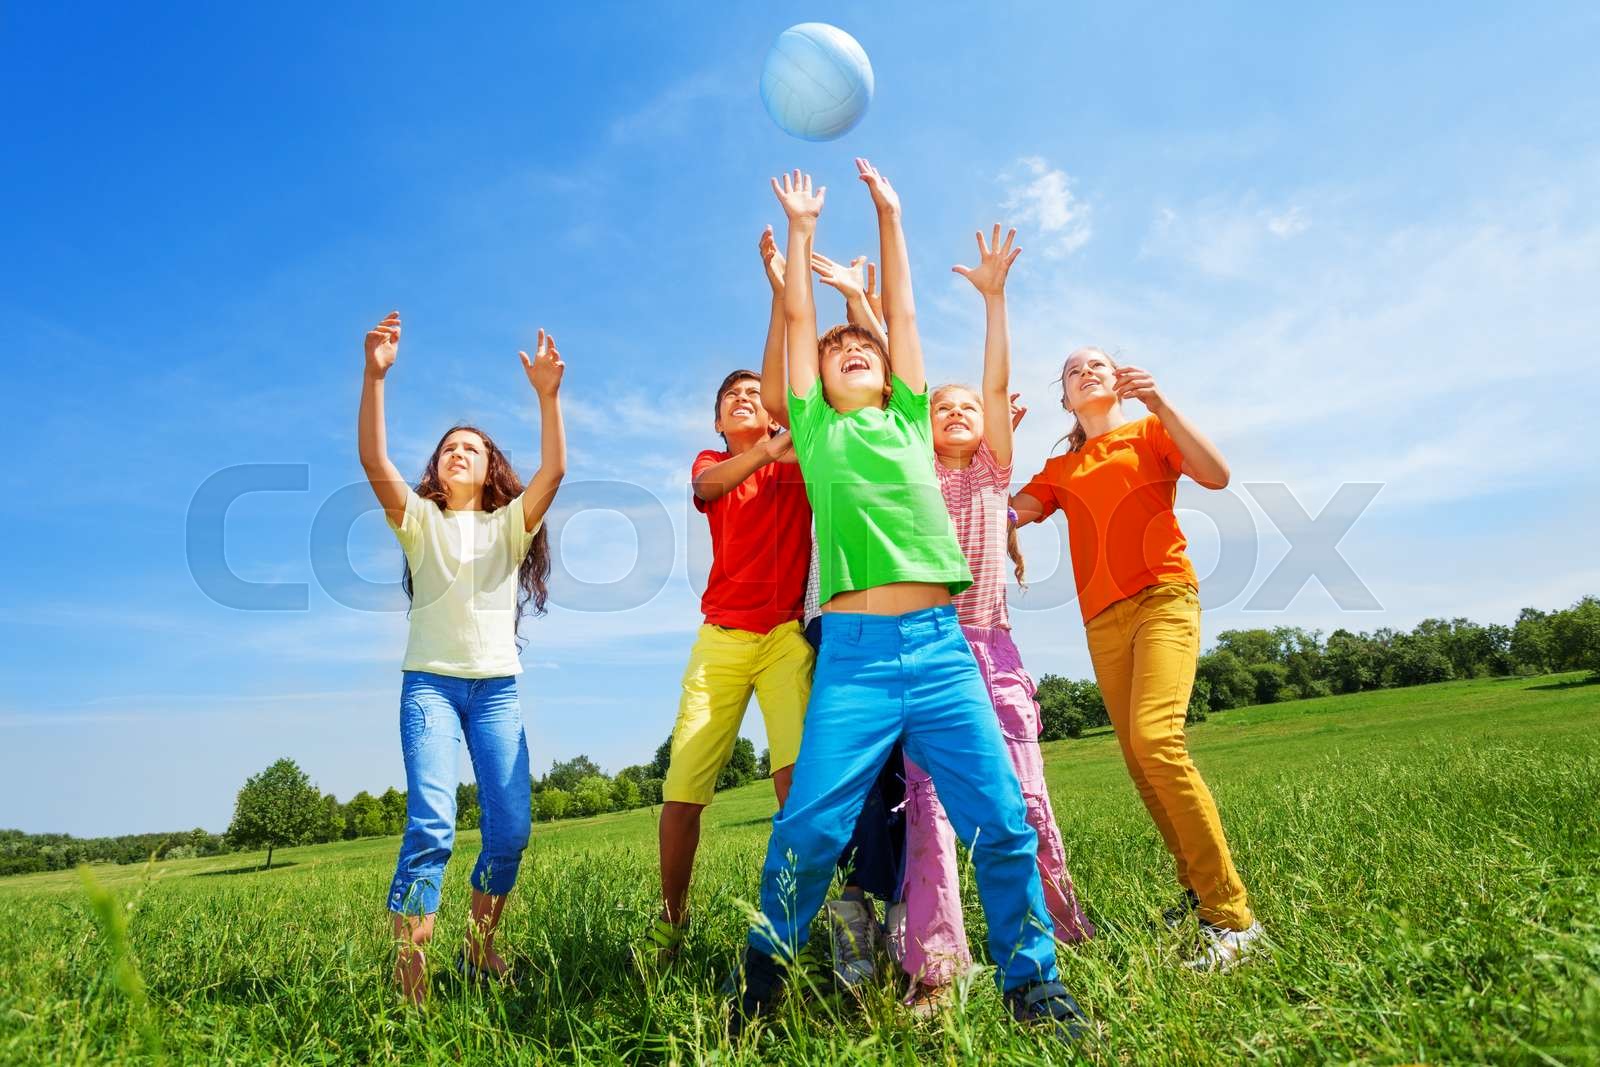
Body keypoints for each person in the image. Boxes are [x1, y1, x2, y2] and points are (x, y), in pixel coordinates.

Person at [730, 163, 1086, 1041]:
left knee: (1001, 821)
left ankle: (1032, 985)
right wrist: (805, 231)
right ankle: (759, 986)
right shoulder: (814, 429)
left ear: (891, 377)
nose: (854, 351)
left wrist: (893, 213)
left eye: (867, 350)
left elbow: (909, 319)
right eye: (837, 353)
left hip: (939, 647)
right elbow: (807, 321)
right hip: (851, 656)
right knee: (808, 832)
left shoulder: (906, 417)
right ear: (818, 380)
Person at [1012, 346, 1266, 971]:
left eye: (1096, 363)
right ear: (1066, 399)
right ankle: (1198, 892)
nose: (1086, 371)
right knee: (1138, 761)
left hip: (1163, 597)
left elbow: (1216, 475)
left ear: (1120, 384)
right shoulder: (1062, 466)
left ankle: (1233, 917)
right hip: (1102, 620)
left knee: (1158, 741)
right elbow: (1009, 511)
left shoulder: (1151, 430)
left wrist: (1162, 402)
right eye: (1072, 371)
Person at [896, 226, 1096, 1012]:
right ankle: (938, 966)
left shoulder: (992, 466)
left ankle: (1063, 929)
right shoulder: (914, 472)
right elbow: (904, 381)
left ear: (988, 422)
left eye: (966, 406)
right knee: (929, 812)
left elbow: (996, 376)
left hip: (995, 650)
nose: (954, 410)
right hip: (931, 653)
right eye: (939, 406)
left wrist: (994, 300)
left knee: (1027, 798)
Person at [357, 311, 568, 1004]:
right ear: (436, 470)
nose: (458, 451)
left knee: (510, 829)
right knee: (433, 823)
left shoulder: (509, 525)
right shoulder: (418, 521)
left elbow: (556, 470)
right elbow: (372, 460)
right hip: (432, 690)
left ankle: (479, 946)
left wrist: (548, 396)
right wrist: (376, 376)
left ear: (489, 469)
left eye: (471, 447)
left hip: (497, 692)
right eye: (449, 446)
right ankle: (410, 972)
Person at [646, 357, 814, 963]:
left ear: (773, 408)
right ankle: (671, 925)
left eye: (753, 391)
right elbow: (704, 491)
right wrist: (768, 451)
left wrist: (778, 292)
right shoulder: (712, 464)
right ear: (718, 421)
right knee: (683, 790)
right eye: (730, 396)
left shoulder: (797, 463)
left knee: (798, 787)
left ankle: (797, 924)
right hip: (721, 639)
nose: (743, 397)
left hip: (783, 637)